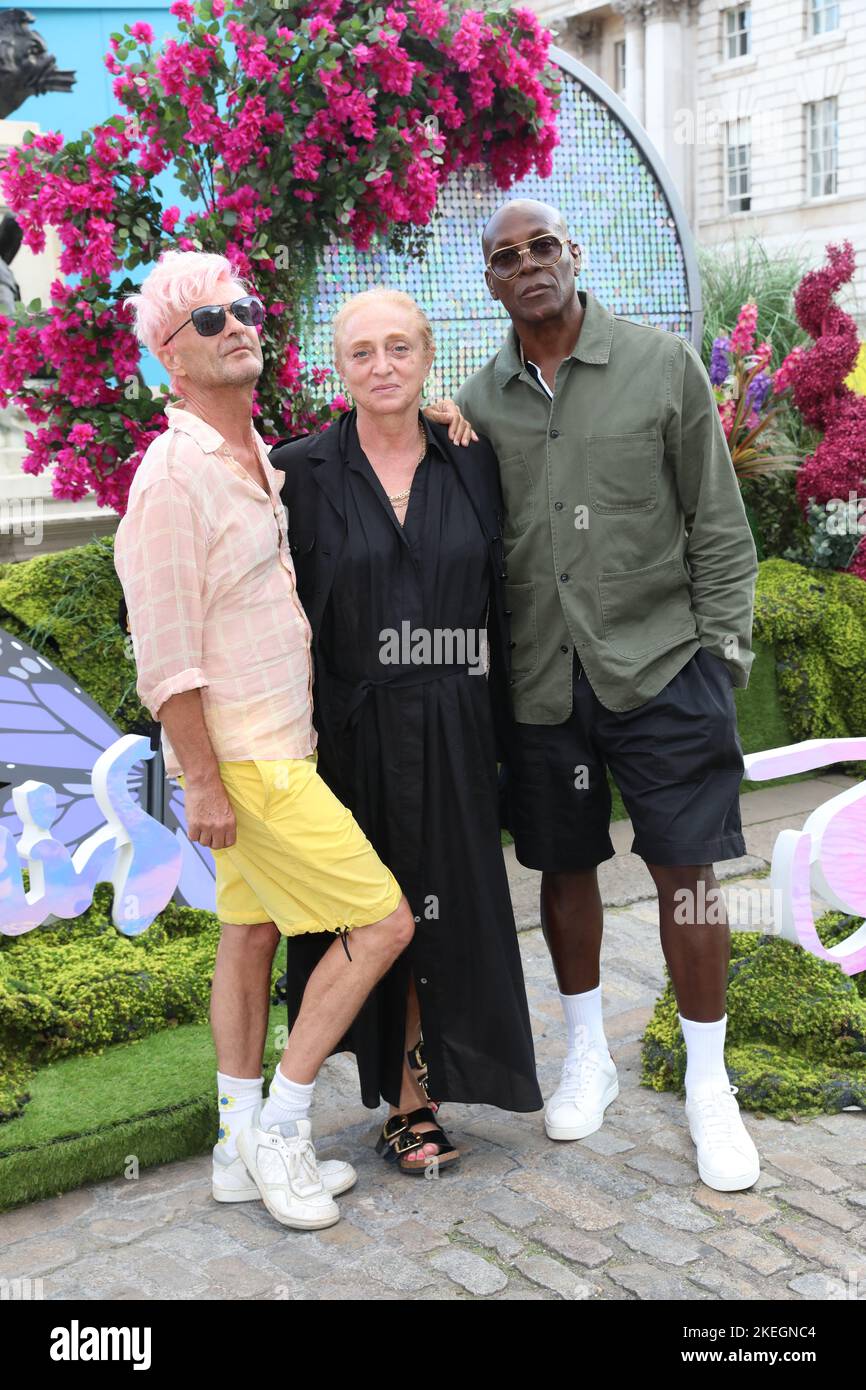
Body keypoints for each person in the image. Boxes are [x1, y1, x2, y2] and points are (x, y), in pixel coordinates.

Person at [454, 199, 762, 1192]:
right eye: (506, 256)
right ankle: (585, 1053)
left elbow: (717, 526)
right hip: (544, 683)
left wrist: (719, 661)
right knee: (561, 864)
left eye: (542, 245)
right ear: (492, 283)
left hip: (666, 672)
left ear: (571, 257)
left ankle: (709, 1083)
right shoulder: (478, 402)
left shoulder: (658, 365)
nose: (528, 263)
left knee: (690, 870)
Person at [114, 249, 421, 1231]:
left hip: (278, 747)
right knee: (381, 924)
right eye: (207, 320)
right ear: (170, 358)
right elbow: (166, 662)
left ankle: (232, 1143)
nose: (236, 323)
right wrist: (200, 783)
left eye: (241, 306)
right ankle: (284, 1128)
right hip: (246, 763)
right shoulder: (171, 478)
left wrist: (443, 412)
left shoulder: (254, 457)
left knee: (247, 935)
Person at [271, 287, 543, 1173]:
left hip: (459, 725)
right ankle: (386, 1093)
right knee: (367, 913)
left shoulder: (473, 460)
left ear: (428, 356)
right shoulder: (298, 472)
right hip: (351, 733)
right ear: (338, 368)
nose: (382, 366)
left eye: (399, 348)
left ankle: (420, 1088)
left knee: (448, 907)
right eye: (362, 352)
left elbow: (503, 595)